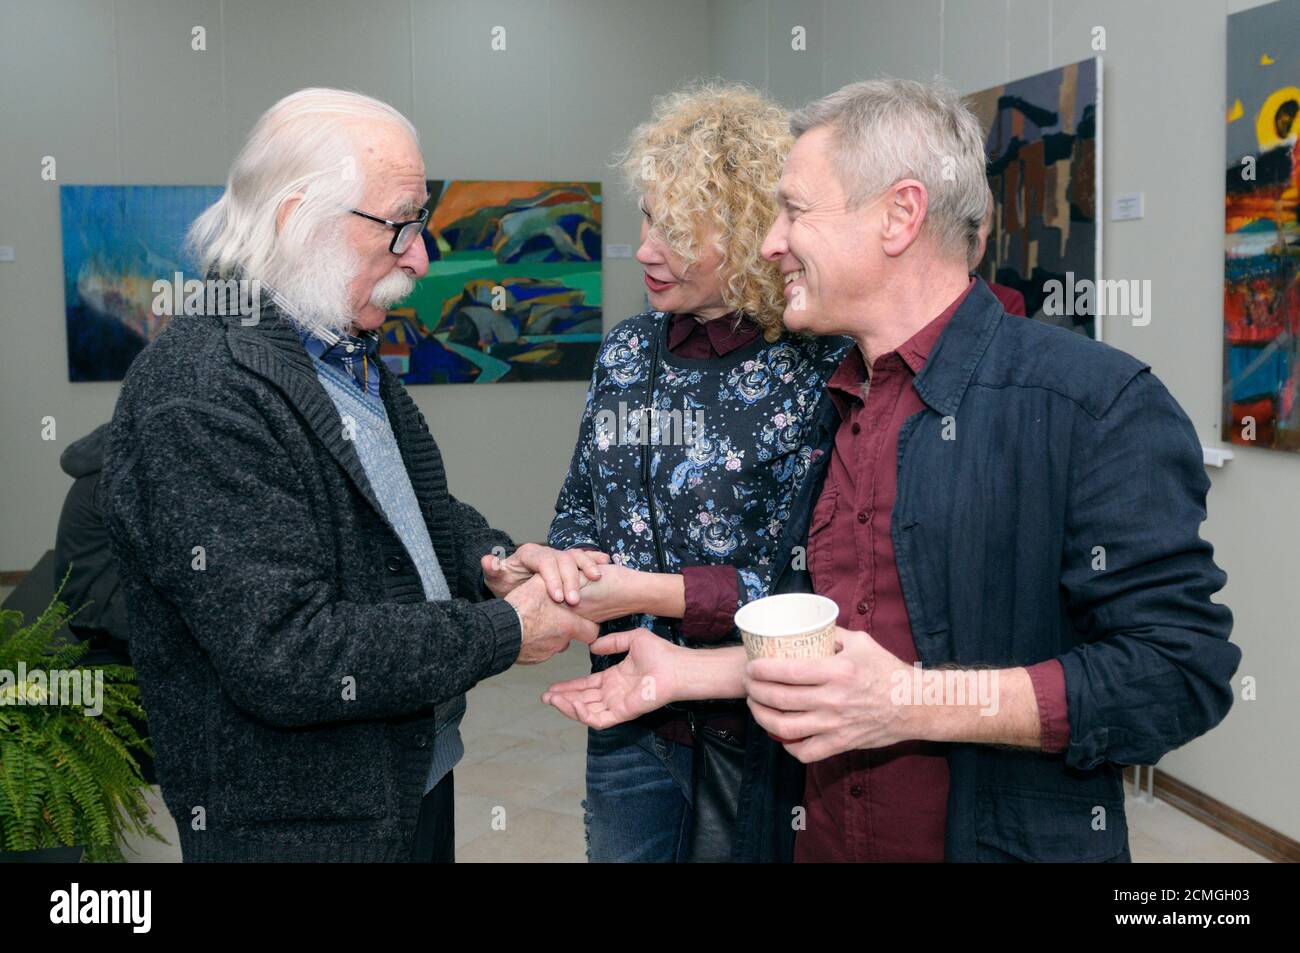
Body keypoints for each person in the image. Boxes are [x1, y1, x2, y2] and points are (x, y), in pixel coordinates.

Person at [546, 77, 1239, 863]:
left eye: (794, 212)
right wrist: (686, 671)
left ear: (899, 215)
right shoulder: (836, 400)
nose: (769, 243)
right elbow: (840, 651)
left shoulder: (1092, 402)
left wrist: (914, 701)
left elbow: (1178, 672)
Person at [99, 88, 600, 863]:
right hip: (300, 826)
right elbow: (288, 651)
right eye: (401, 224)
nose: (422, 256)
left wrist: (489, 561)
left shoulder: (334, 345)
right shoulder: (199, 389)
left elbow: (399, 512)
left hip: (405, 783)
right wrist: (505, 630)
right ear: (297, 218)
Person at [526, 83, 847, 862]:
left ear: (744, 237)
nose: (644, 248)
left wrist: (644, 592)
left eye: (676, 230)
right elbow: (579, 509)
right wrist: (550, 567)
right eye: (647, 218)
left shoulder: (816, 367)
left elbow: (810, 590)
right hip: (629, 723)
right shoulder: (626, 352)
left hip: (758, 730)